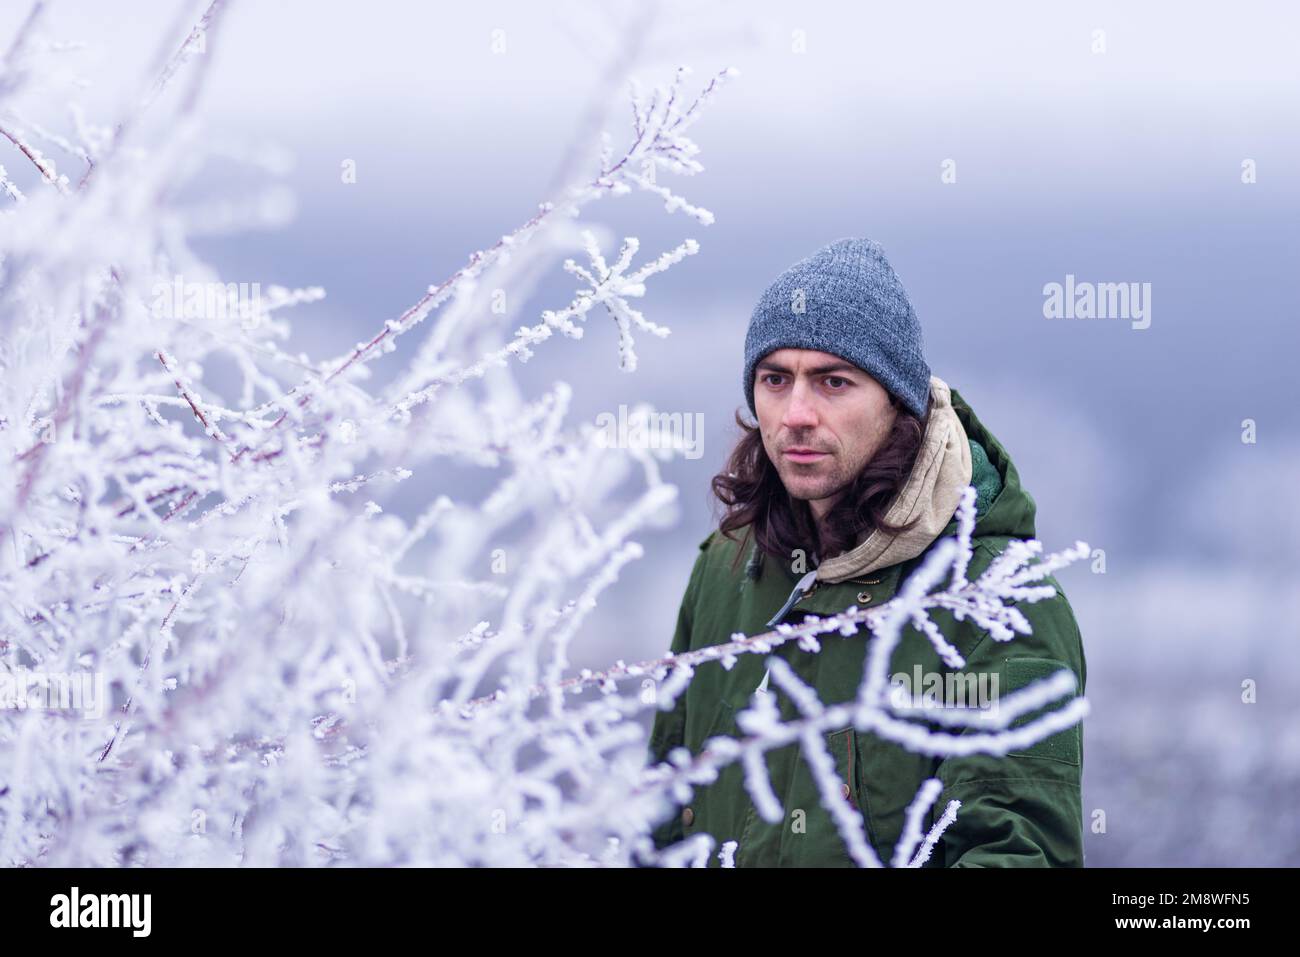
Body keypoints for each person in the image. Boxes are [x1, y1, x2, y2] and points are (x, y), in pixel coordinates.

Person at [644, 238, 1087, 867]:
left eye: (833, 382)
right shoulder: (726, 567)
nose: (796, 413)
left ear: (896, 402)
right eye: (775, 380)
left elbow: (1019, 851)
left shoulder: (998, 601)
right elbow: (662, 817)